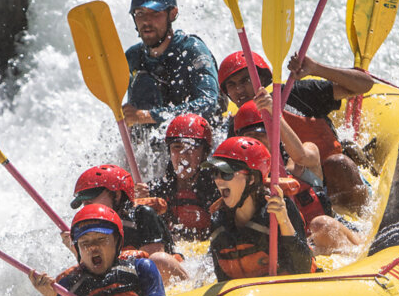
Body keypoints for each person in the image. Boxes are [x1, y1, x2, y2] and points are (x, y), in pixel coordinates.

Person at [218, 49, 375, 211]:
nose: (239, 90)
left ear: (263, 79)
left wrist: (316, 68)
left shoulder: (296, 94)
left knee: (338, 163)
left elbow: (365, 84)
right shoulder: (236, 128)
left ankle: (361, 217)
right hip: (293, 196)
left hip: (331, 179)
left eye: (246, 80)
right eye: (232, 85)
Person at [232, 102, 365, 254]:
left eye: (263, 134)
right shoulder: (239, 178)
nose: (257, 142)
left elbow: (301, 155)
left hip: (329, 235)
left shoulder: (301, 159)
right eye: (250, 137)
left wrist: (275, 115)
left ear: (277, 133)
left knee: (322, 224)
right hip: (294, 248)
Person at [31, 204, 165, 296]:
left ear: (117, 241)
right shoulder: (69, 286)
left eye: (101, 239)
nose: (93, 247)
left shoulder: (141, 268)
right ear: (78, 249)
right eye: (85, 243)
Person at [122, 0, 223, 129]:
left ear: (172, 14)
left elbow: (208, 102)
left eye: (155, 13)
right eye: (140, 13)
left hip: (194, 141)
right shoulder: (132, 57)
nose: (146, 21)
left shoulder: (191, 49)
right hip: (152, 146)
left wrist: (148, 116)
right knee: (142, 83)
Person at [202, 136, 314, 281]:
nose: (218, 179)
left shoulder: (277, 211)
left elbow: (302, 269)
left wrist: (284, 221)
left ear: (252, 179)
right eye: (215, 173)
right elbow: (222, 280)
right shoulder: (218, 222)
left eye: (226, 173)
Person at [70, 164, 188, 282]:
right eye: (84, 203)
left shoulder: (142, 214)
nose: (88, 207)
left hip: (158, 278)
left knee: (159, 259)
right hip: (124, 281)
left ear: (116, 195)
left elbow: (151, 266)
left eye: (92, 200)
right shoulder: (89, 229)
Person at [146, 113, 220, 239]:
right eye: (177, 147)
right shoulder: (154, 190)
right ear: (169, 151)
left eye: (191, 148)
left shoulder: (219, 189)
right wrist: (135, 205)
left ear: (205, 153)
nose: (183, 155)